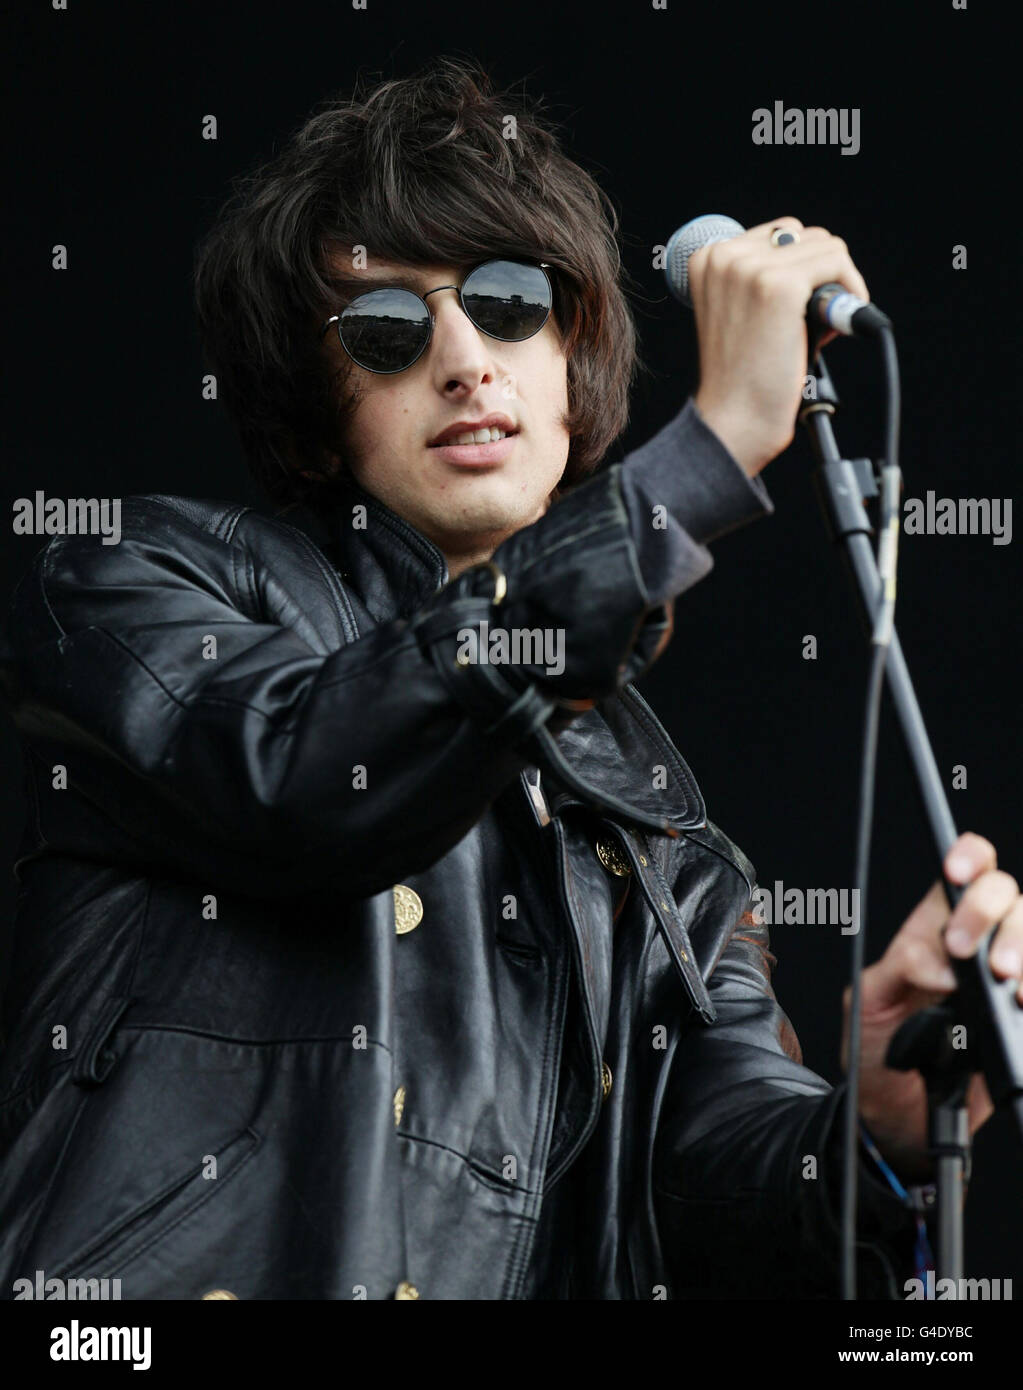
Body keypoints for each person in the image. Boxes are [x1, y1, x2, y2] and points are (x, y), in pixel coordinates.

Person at [1, 56, 1019, 1302]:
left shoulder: (667, 844)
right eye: (385, 328)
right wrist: (690, 470)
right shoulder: (130, 584)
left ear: (575, 342)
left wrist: (873, 1120)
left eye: (509, 300)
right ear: (320, 410)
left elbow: (717, 1201)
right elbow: (306, 772)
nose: (465, 358)